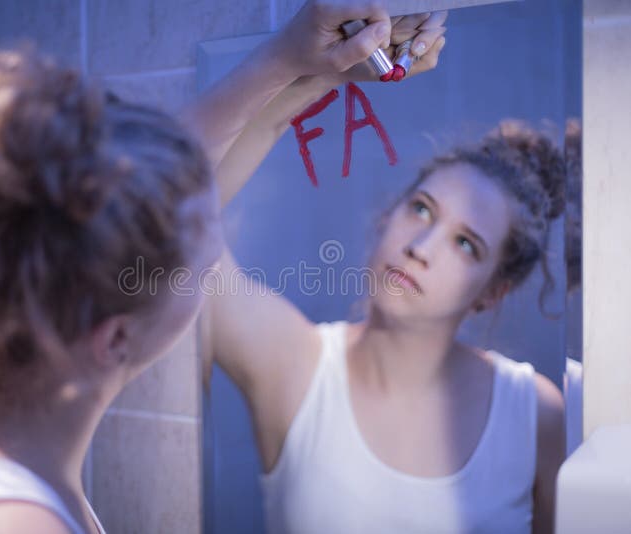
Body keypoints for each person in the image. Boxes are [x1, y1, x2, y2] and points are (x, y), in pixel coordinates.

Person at [0, 2, 401, 531]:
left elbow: (138, 186)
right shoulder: (14, 522)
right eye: (201, 265)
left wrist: (295, 63)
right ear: (116, 338)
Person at [200, 9, 566, 534]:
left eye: (466, 244)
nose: (421, 247)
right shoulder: (293, 366)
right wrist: (320, 70)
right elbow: (178, 219)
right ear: (386, 215)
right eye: (421, 209)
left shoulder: (535, 414)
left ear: (492, 291)